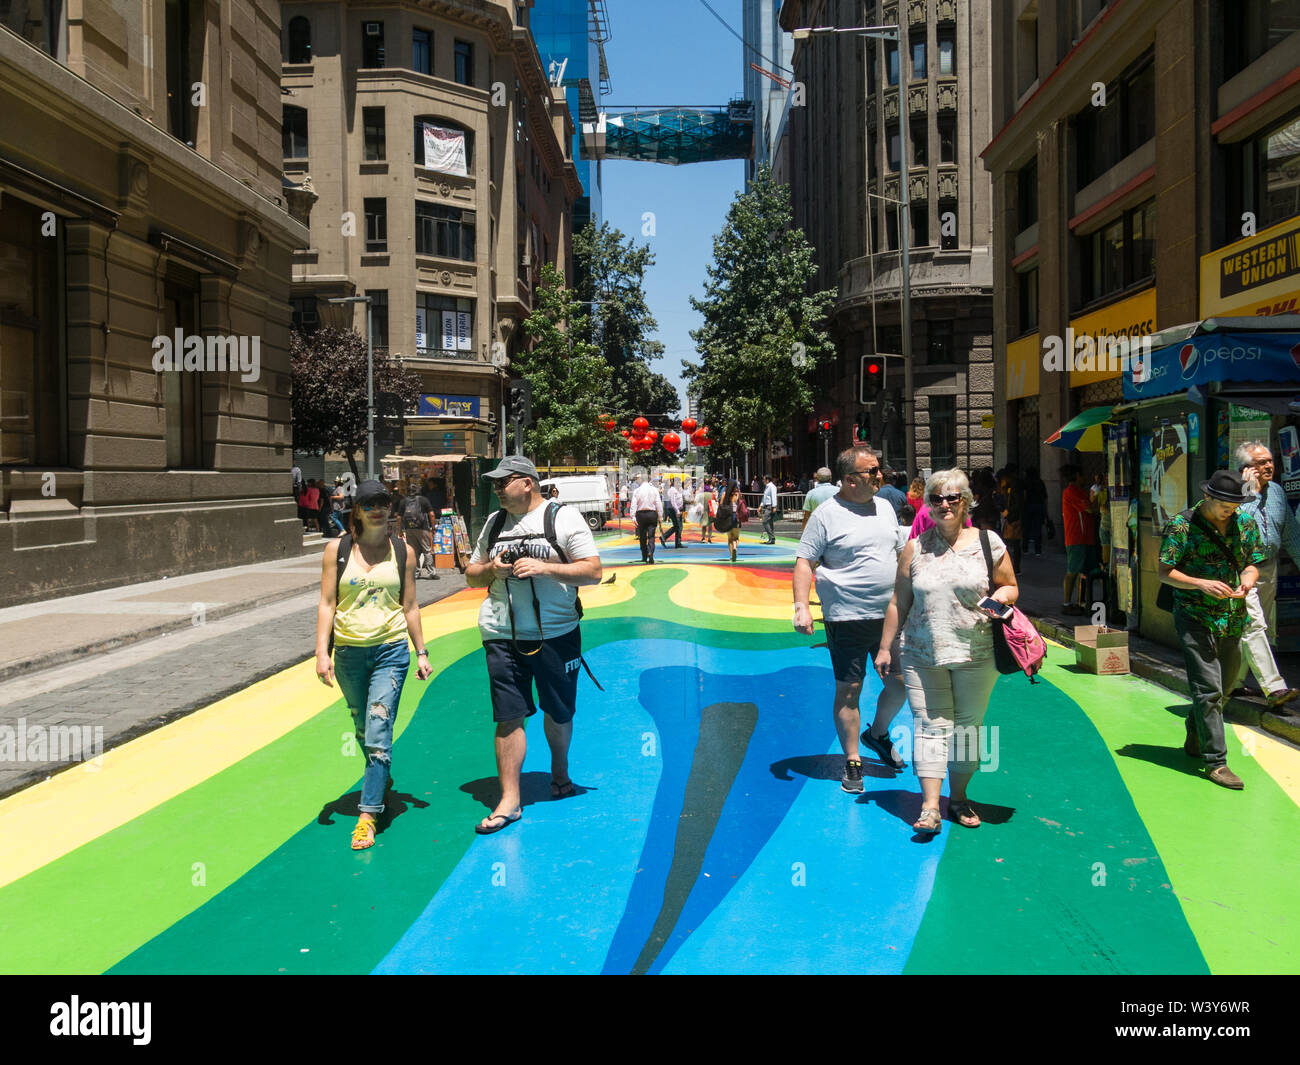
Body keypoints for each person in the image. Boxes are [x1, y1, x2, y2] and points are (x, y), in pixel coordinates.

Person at [464, 456, 603, 833]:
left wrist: (544, 567)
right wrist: (493, 569)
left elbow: (593, 571)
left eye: (502, 482)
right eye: (493, 483)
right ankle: (510, 800)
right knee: (508, 715)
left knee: (558, 711)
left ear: (527, 483)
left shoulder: (563, 518)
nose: (495, 488)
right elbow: (472, 575)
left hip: (556, 634)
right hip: (501, 632)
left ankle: (560, 771)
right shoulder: (494, 524)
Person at [877, 469, 1017, 833]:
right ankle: (928, 808)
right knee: (929, 726)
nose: (944, 504)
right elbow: (898, 602)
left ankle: (958, 798)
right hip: (922, 652)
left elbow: (1010, 587)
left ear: (966, 502)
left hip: (977, 652)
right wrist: (885, 647)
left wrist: (1000, 597)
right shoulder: (915, 546)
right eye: (936, 498)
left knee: (968, 728)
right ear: (928, 504)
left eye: (953, 498)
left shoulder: (989, 542)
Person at [315, 479, 432, 850]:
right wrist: (322, 652)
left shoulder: (403, 551)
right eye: (369, 504)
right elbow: (327, 603)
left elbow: (410, 605)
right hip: (349, 651)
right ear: (357, 511)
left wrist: (422, 652)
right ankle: (381, 777)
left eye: (383, 503)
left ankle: (368, 814)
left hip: (390, 650)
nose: (378, 509)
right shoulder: (337, 550)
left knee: (379, 726)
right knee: (363, 729)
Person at [794, 448, 909, 792]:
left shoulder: (885, 507)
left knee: (900, 685)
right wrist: (801, 605)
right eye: (872, 471)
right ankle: (853, 759)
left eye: (878, 470)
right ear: (849, 479)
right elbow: (804, 561)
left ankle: (877, 734)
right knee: (850, 690)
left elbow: (902, 550)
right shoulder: (826, 515)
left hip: (890, 616)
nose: (879, 476)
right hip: (846, 618)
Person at [1158, 469, 1266, 790]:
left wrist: (1248, 580)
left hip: (1231, 614)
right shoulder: (1182, 525)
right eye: (1224, 505)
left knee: (1229, 682)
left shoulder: (1244, 524)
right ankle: (1216, 762)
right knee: (1208, 687)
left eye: (1234, 506)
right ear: (1208, 497)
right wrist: (1200, 584)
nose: (1229, 511)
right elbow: (1165, 571)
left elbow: (1252, 562)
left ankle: (1196, 728)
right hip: (1194, 614)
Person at [1234, 442, 1300, 707]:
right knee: (1254, 625)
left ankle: (1233, 684)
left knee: (1251, 629)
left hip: (1267, 567)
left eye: (1270, 461)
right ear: (1246, 468)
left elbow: (1291, 534)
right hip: (1240, 570)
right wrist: (1249, 492)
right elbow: (1240, 524)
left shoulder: (1277, 493)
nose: (1269, 466)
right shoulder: (1234, 493)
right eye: (1261, 462)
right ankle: (1274, 688)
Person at [1060, 464, 1099, 615]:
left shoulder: (1079, 491)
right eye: (1082, 475)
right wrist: (1096, 494)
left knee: (1084, 572)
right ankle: (1066, 603)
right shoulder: (1071, 492)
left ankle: (1081, 602)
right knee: (1072, 571)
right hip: (1077, 538)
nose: (1085, 478)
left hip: (1085, 537)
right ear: (1077, 475)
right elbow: (1090, 509)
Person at [400, 484, 435, 576]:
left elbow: (399, 517)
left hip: (409, 529)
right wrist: (433, 527)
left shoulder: (404, 501)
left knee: (413, 551)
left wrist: (400, 530)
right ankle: (431, 572)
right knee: (427, 550)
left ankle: (416, 572)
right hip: (423, 529)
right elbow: (431, 514)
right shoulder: (424, 500)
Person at [631, 474, 663, 564]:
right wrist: (660, 516)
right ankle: (650, 552)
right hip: (652, 514)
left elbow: (634, 504)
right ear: (649, 479)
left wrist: (633, 516)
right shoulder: (654, 490)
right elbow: (658, 504)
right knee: (651, 536)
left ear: (641, 480)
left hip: (640, 514)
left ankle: (644, 556)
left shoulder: (637, 490)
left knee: (642, 536)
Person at [999, 470, 1024, 575]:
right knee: (1012, 544)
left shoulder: (1013, 489)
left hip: (1014, 519)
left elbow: (1017, 504)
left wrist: (1008, 511)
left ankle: (1014, 567)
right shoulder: (1009, 489)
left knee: (1012, 544)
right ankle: (1014, 567)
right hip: (1012, 518)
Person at [800, 467, 838, 531]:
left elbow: (807, 516)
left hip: (818, 530)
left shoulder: (811, 494)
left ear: (817, 479)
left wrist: (804, 531)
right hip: (836, 529)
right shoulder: (839, 491)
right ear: (831, 478)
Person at [1022, 468, 1047, 556]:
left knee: (1026, 528)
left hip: (1028, 507)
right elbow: (1044, 497)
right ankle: (1038, 550)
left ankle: (1025, 548)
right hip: (1039, 506)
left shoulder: (1026, 482)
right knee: (1038, 528)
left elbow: (1024, 496)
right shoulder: (1040, 482)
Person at [718, 480, 744, 562]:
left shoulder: (725, 494)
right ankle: (735, 548)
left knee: (730, 538)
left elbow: (721, 505)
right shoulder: (738, 495)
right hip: (736, 517)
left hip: (728, 517)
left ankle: (731, 555)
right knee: (736, 537)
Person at [661, 478, 684, 548]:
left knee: (679, 526)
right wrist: (677, 511)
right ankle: (664, 537)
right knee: (677, 526)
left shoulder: (678, 490)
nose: (679, 484)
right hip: (673, 510)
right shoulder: (672, 490)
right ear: (674, 483)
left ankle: (678, 543)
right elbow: (673, 501)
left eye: (680, 482)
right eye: (677, 482)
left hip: (678, 510)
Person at [696, 479, 716, 543]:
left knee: (704, 525)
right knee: (710, 526)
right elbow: (714, 502)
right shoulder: (712, 494)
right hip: (710, 511)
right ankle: (709, 538)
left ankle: (703, 538)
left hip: (703, 511)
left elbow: (698, 503)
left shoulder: (702, 494)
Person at [760, 473, 779, 544]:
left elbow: (773, 496)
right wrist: (761, 505)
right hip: (767, 506)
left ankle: (772, 538)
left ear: (767, 480)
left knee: (765, 521)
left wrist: (774, 506)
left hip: (770, 506)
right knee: (770, 522)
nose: (763, 481)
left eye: (764, 479)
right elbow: (765, 497)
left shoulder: (772, 486)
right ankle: (771, 539)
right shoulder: (767, 486)